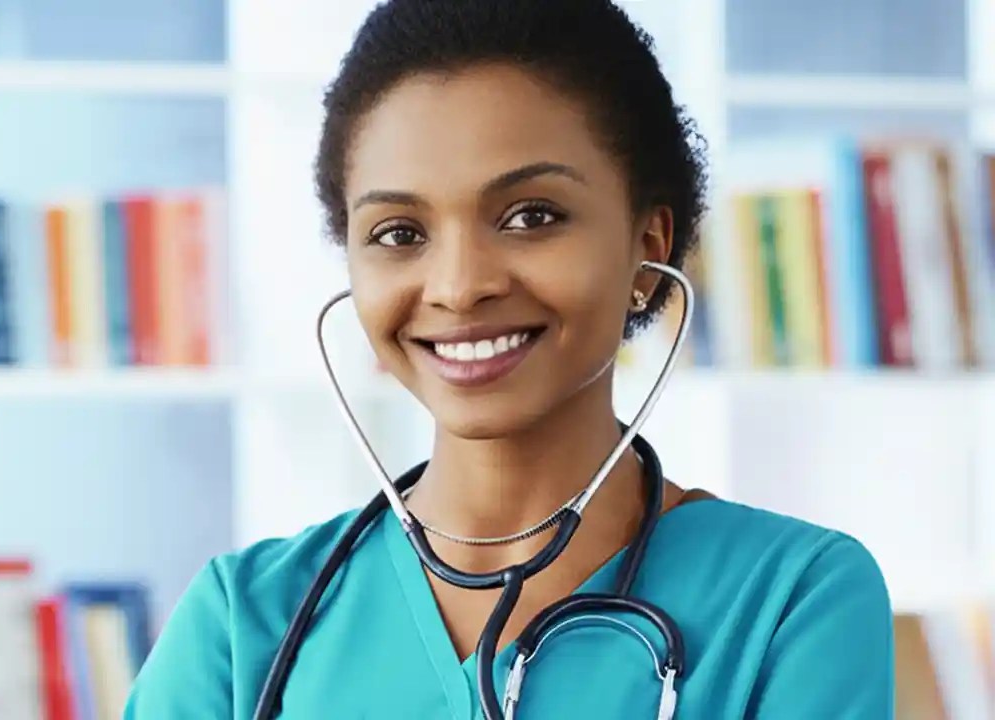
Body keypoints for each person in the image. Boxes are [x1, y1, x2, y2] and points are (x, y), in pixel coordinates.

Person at [124, 0, 895, 717]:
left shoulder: (794, 599)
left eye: (532, 216)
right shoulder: (242, 624)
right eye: (399, 232)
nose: (459, 287)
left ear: (648, 246)